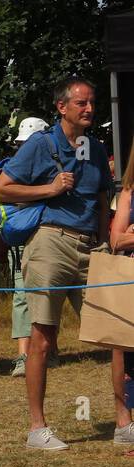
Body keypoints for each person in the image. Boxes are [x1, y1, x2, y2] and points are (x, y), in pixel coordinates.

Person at [0, 76, 116, 450]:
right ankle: (37, 429)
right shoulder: (39, 145)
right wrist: (49, 188)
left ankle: (124, 421)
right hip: (49, 242)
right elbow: (1, 189)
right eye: (82, 103)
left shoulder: (95, 148)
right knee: (43, 339)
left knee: (116, 335)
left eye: (92, 102)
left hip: (90, 249)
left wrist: (106, 245)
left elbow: (99, 200)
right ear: (61, 107)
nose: (90, 108)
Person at [3, 117, 51, 376]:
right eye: (23, 144)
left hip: (49, 238)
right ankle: (23, 355)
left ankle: (45, 350)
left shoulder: (54, 164)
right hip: (22, 239)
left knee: (49, 295)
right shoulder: (13, 169)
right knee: (22, 295)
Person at [102, 137, 134, 450]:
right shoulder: (128, 191)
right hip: (130, 280)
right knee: (121, 348)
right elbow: (115, 240)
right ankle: (123, 421)